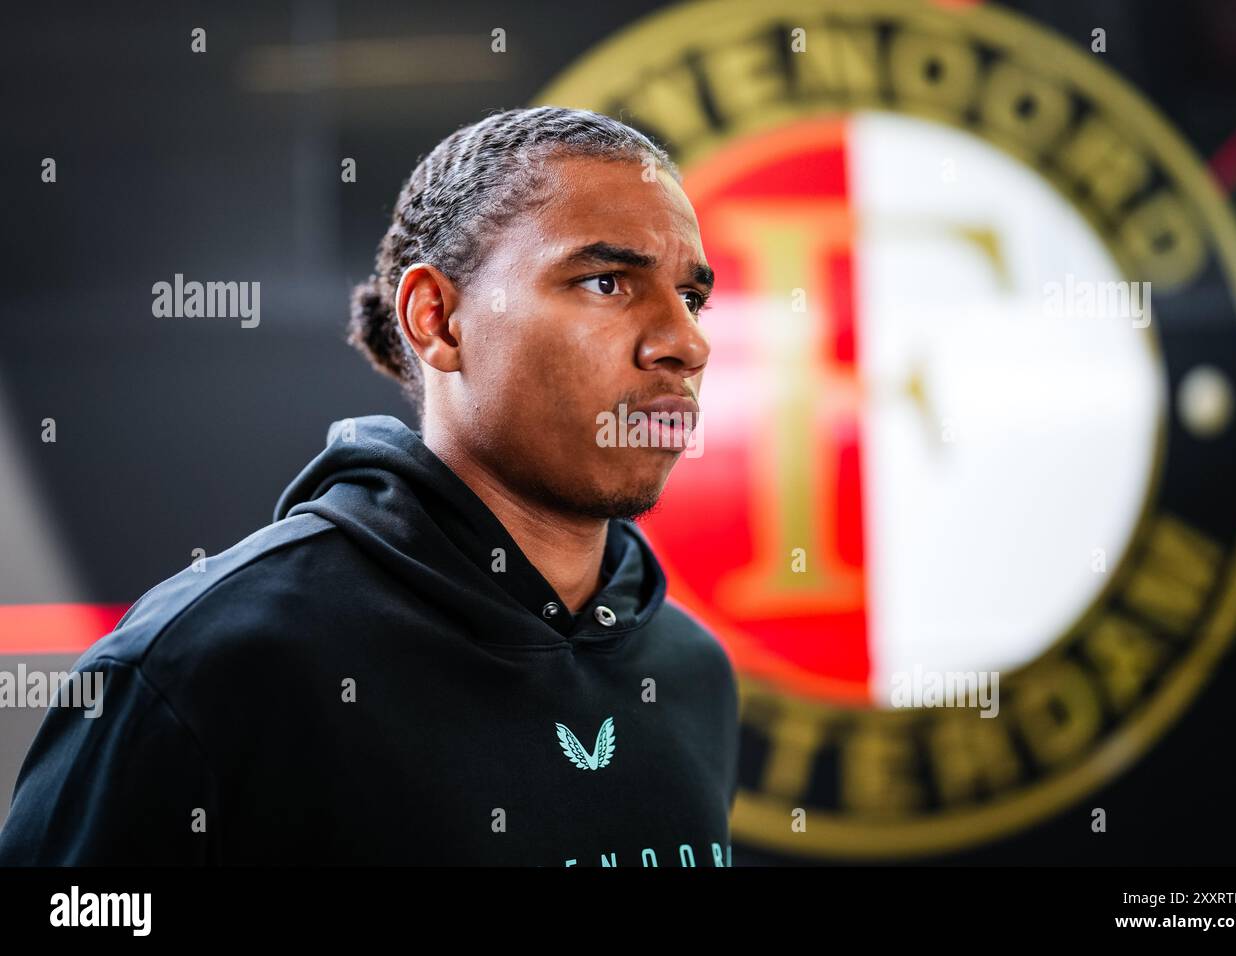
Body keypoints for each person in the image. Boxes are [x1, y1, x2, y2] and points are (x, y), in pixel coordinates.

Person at [0, 106, 738, 866]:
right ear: (437, 320)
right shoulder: (205, 666)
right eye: (607, 282)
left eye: (692, 297)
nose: (687, 342)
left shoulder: (690, 672)